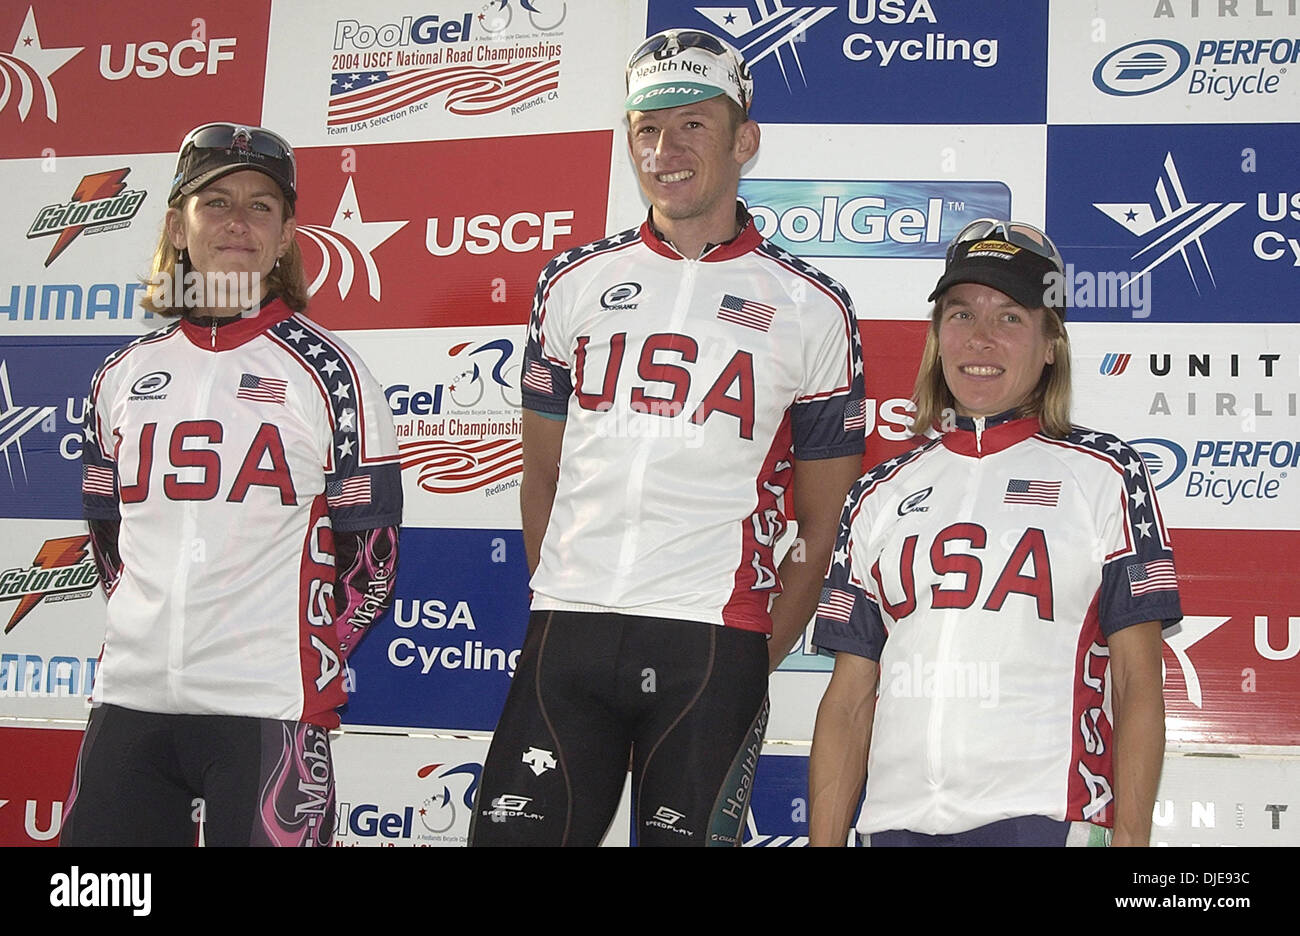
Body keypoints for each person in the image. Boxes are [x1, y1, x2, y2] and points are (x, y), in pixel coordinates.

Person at [469, 28, 865, 847]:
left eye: (693, 124)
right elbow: (539, 474)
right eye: (646, 129)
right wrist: (565, 590)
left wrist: (757, 648)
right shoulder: (572, 282)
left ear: (743, 139)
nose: (665, 148)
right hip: (567, 632)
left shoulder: (811, 306)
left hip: (712, 645)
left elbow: (823, 524)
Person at [60, 123, 402, 847]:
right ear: (179, 227)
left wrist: (309, 659)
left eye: (261, 206)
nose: (237, 222)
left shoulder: (332, 374)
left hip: (267, 707)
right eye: (215, 203)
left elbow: (370, 559)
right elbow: (107, 541)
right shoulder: (119, 376)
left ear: (284, 238)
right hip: (131, 699)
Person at [808, 219, 1181, 847]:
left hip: (1044, 818)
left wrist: (1131, 843)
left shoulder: (1107, 474)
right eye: (960, 316)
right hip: (893, 826)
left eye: (1010, 318)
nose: (980, 339)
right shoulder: (877, 492)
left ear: (1050, 343)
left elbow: (1138, 681)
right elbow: (849, 698)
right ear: (936, 337)